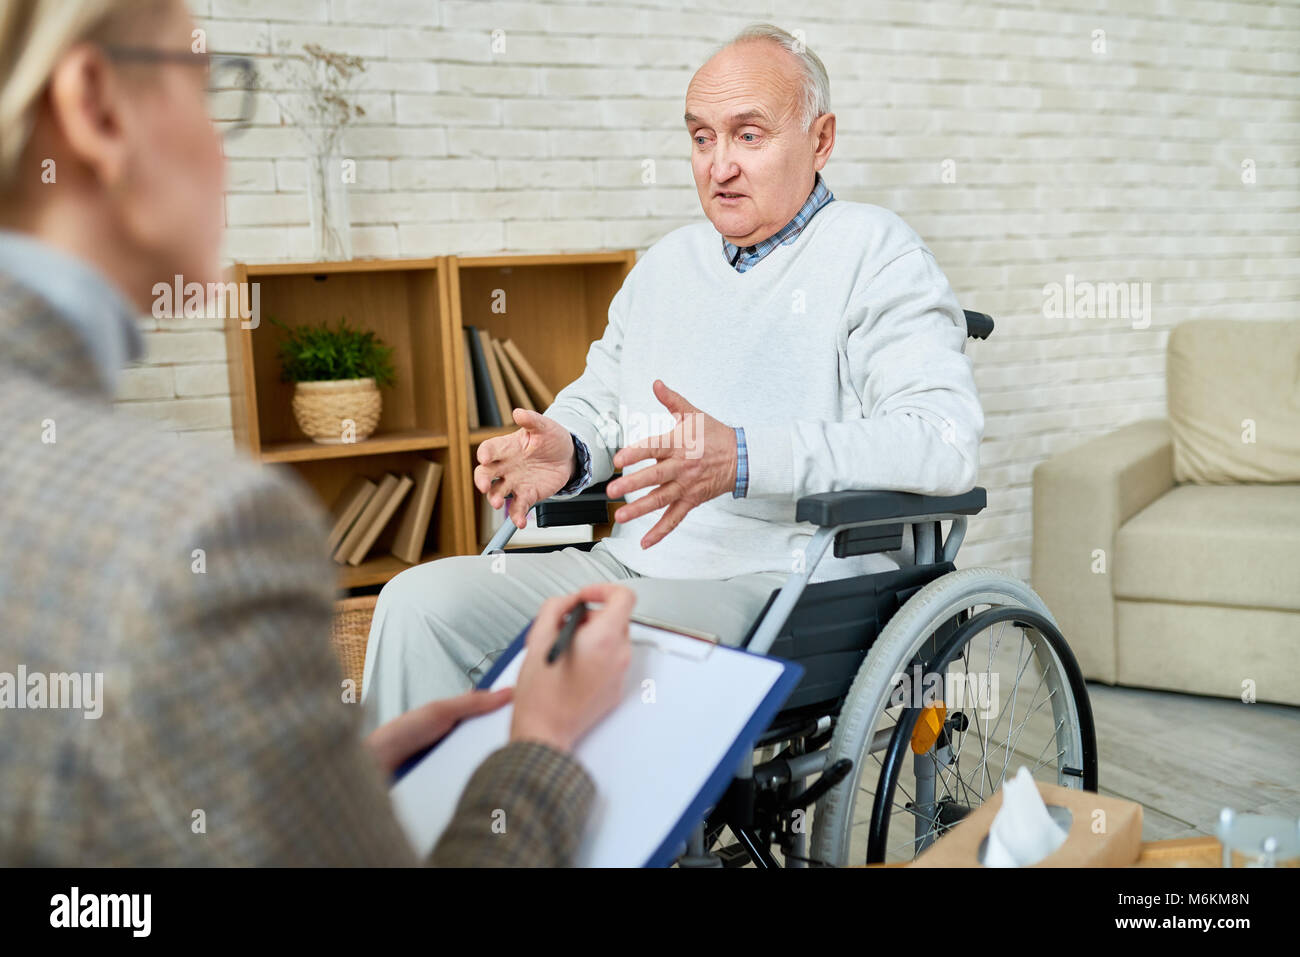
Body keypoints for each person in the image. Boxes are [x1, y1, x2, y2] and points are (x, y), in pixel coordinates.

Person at [0, 0, 632, 866]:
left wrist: (331, 786)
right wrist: (544, 748)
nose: (224, 150)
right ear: (98, 110)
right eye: (208, 88)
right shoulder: (205, 524)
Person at [362, 22, 985, 732]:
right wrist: (567, 448)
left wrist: (744, 458)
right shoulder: (665, 265)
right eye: (701, 137)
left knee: (605, 650)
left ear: (821, 139)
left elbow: (941, 440)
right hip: (631, 566)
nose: (718, 166)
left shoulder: (875, 252)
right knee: (416, 602)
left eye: (748, 135)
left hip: (786, 580)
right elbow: (603, 398)